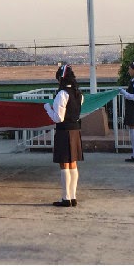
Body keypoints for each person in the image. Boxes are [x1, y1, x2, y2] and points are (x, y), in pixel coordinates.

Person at [43, 63, 84, 207]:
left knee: (64, 164)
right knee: (73, 164)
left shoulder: (62, 94)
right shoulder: (79, 94)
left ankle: (66, 198)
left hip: (64, 131)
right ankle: (72, 197)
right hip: (75, 130)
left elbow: (58, 118)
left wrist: (47, 108)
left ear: (61, 79)